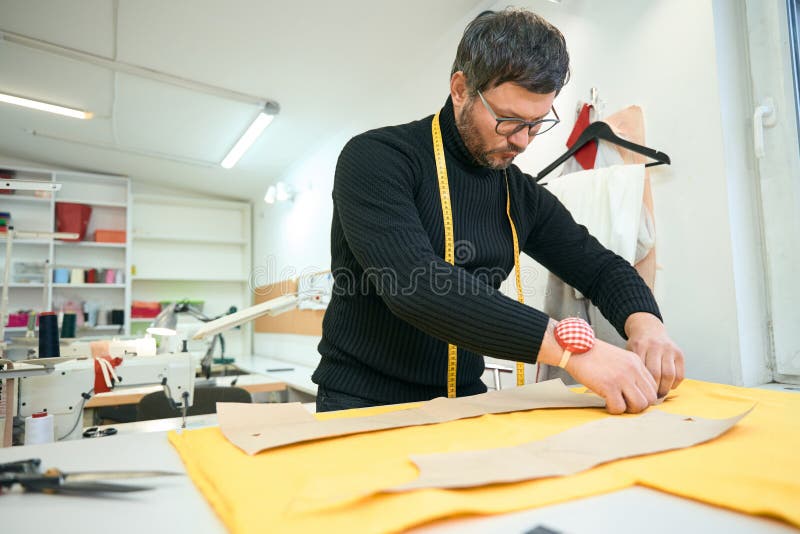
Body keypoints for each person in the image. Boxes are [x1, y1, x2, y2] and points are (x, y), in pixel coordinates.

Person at [312, 8, 684, 414]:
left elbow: (600, 268)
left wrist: (647, 324)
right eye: (508, 121)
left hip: (465, 402)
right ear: (460, 89)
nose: (523, 141)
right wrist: (573, 352)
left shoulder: (518, 194)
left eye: (537, 123)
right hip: (362, 403)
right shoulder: (377, 159)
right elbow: (415, 285)